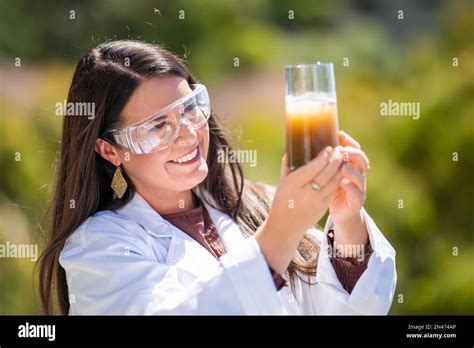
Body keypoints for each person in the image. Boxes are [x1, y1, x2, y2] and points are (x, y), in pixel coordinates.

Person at [37, 40, 396, 315]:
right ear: (110, 150)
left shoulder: (259, 204)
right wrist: (282, 231)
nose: (190, 135)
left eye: (190, 109)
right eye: (158, 126)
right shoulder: (99, 248)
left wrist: (347, 221)